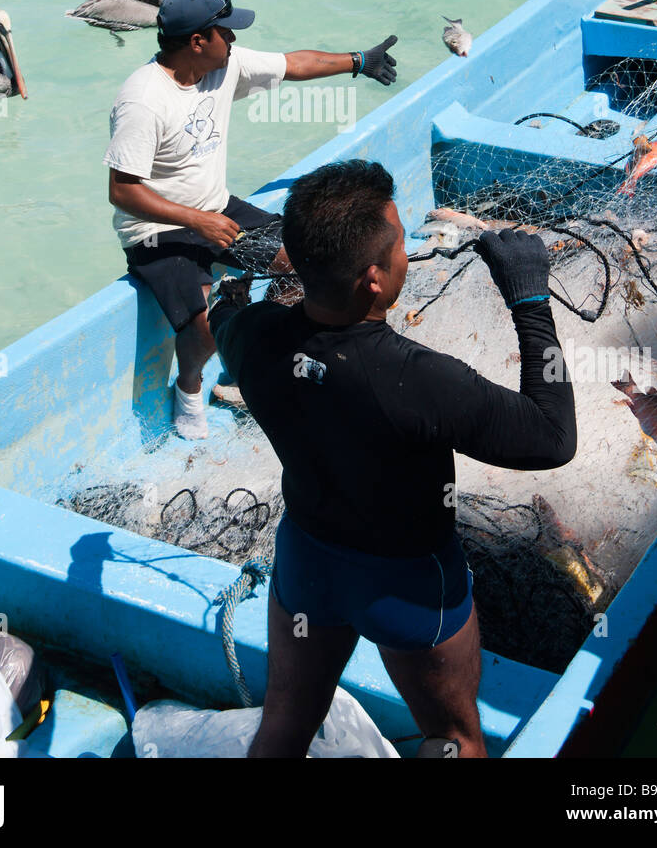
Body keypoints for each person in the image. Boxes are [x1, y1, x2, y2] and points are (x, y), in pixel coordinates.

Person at [208, 159, 576, 758]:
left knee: (284, 725)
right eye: (401, 242)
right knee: (453, 738)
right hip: (408, 585)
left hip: (308, 565)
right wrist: (531, 300)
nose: (407, 251)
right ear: (374, 279)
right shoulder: (422, 380)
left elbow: (225, 318)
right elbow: (552, 438)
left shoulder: (251, 336)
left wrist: (230, 296)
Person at [103, 0, 398, 439]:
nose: (234, 39)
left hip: (217, 208)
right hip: (157, 229)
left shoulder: (224, 65)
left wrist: (359, 60)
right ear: (197, 41)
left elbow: (293, 64)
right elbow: (122, 191)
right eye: (225, 32)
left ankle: (256, 352)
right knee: (203, 325)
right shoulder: (142, 100)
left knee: (305, 265)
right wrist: (196, 221)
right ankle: (188, 387)